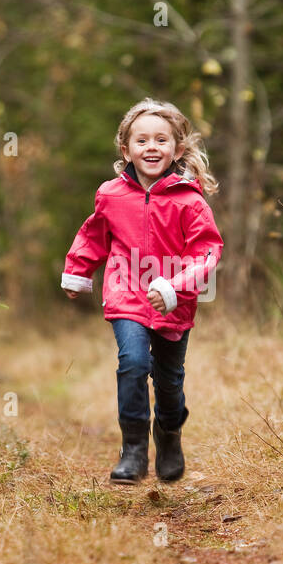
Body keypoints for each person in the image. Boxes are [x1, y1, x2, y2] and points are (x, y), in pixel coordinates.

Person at [61, 97, 224, 482]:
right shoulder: (111, 194)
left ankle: (169, 434)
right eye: (142, 141)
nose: (151, 148)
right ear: (126, 149)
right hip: (126, 292)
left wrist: (174, 288)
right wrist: (78, 271)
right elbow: (94, 235)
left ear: (177, 149)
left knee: (169, 380)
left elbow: (206, 254)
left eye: (161, 140)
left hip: (174, 302)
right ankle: (133, 450)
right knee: (133, 363)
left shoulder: (190, 201)